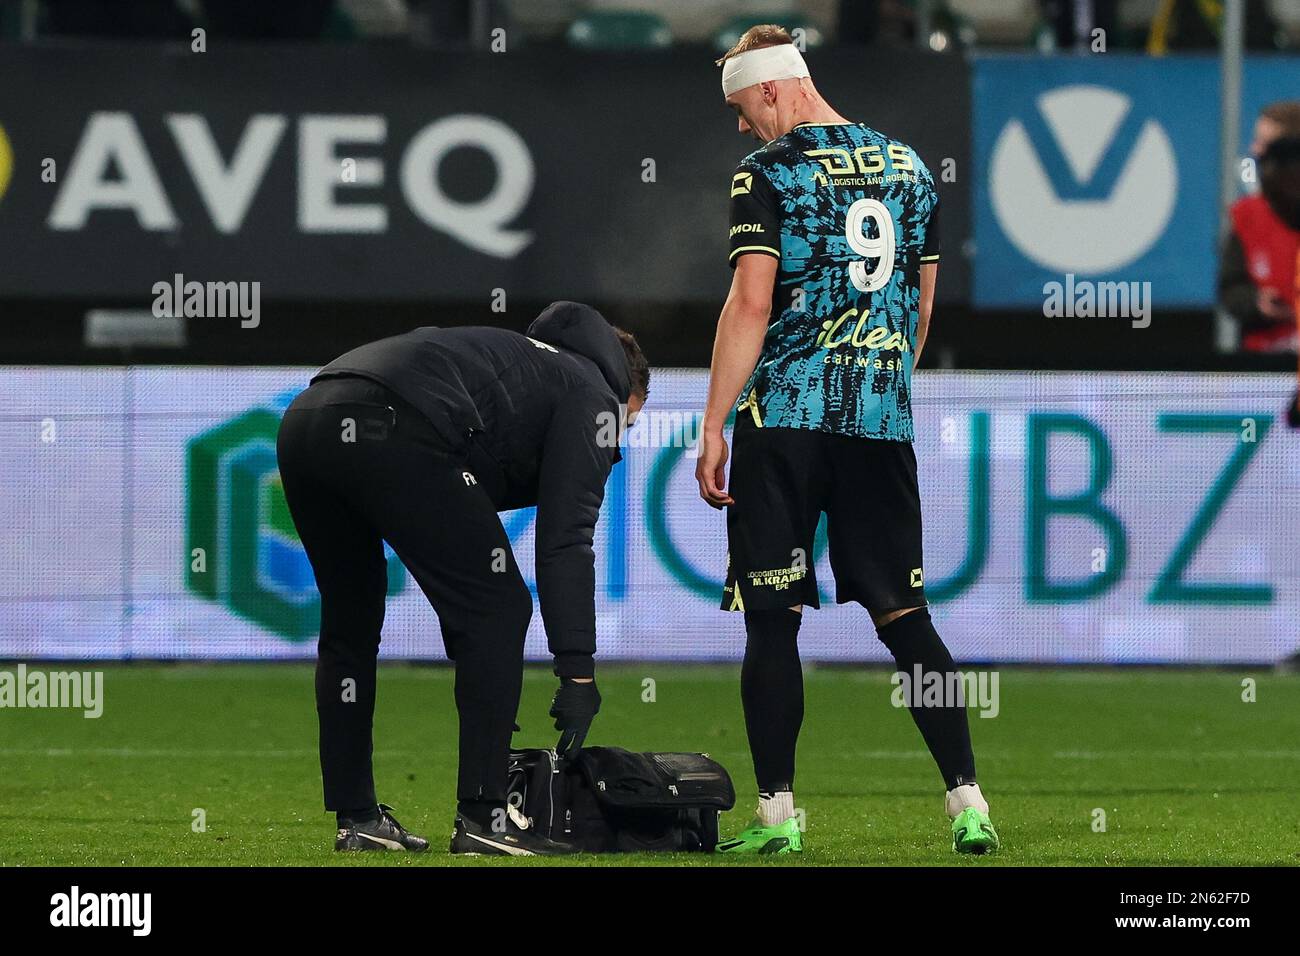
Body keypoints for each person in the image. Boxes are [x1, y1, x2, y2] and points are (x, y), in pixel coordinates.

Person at [695, 25, 998, 855]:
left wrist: (714, 422)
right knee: (905, 617)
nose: (739, 127)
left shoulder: (767, 174)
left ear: (767, 90)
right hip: (876, 424)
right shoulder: (908, 166)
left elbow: (750, 306)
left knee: (771, 617)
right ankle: (968, 802)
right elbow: (923, 308)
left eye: (737, 107)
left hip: (786, 422)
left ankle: (778, 818)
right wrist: (882, 388)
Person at [275, 301, 649, 855]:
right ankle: (483, 817)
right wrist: (577, 673)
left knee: (350, 618)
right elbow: (565, 541)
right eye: (630, 423)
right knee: (498, 609)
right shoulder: (594, 392)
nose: (619, 442)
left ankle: (358, 818)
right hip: (398, 422)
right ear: (624, 390)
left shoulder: (528, 362)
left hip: (308, 417)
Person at [1220, 102, 1300, 354]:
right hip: (1267, 363)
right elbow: (1231, 287)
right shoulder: (1247, 216)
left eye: (1265, 143)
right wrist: (1256, 304)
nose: (1254, 150)